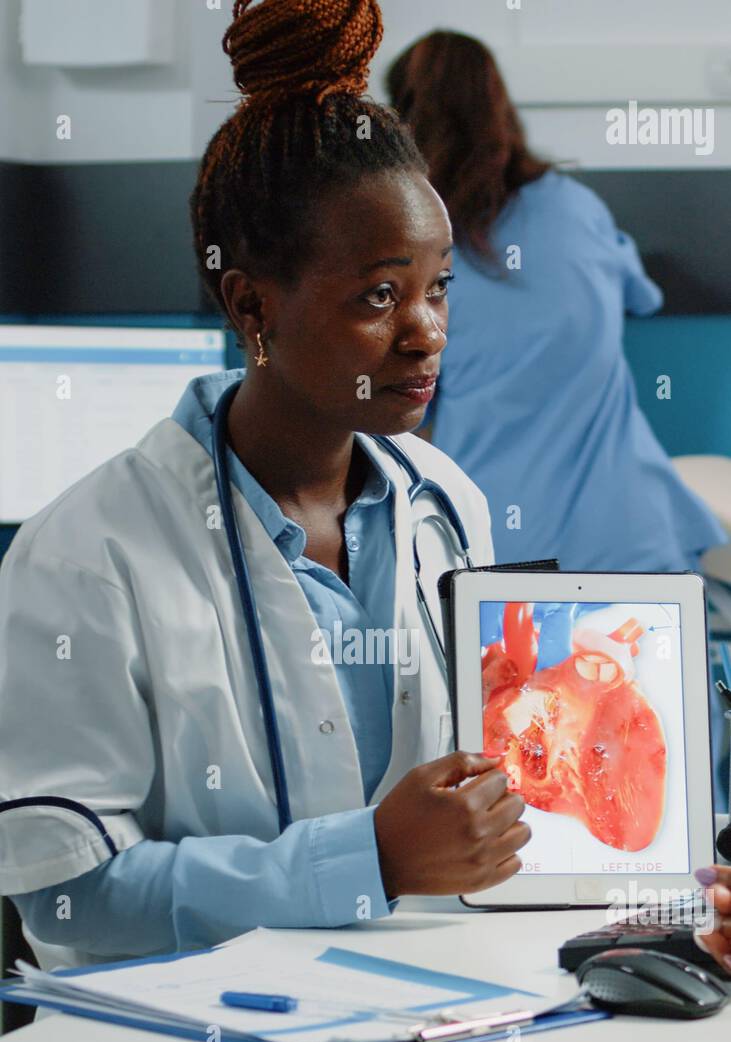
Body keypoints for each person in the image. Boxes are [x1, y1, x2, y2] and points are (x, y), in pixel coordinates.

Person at [0, 0, 530, 972]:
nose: (425, 331)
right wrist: (362, 859)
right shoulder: (87, 556)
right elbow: (67, 900)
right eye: (378, 293)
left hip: (424, 1020)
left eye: (437, 286)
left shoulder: (444, 504)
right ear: (251, 304)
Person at [386, 31, 727, 575]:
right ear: (501, 110)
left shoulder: (421, 255)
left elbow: (409, 416)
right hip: (630, 541)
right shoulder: (577, 208)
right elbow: (644, 295)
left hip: (497, 552)